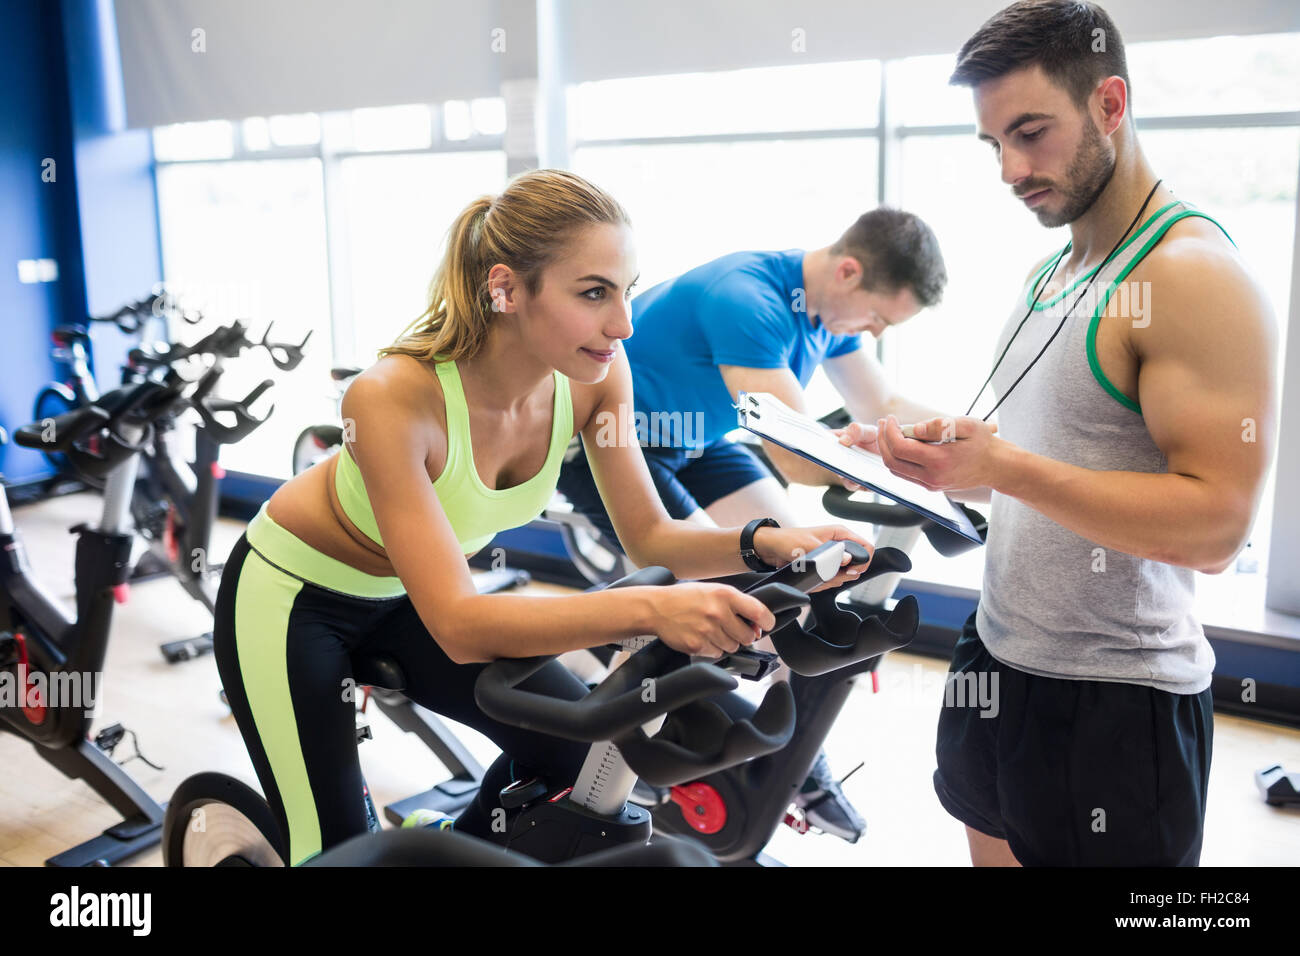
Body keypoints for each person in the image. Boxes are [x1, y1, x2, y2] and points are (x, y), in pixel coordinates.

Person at [212, 169, 873, 866]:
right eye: (593, 293)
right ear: (505, 289)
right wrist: (653, 610)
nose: (623, 325)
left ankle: (447, 853)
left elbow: (652, 536)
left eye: (625, 290)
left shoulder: (596, 379)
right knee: (337, 852)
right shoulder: (390, 400)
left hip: (409, 595)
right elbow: (463, 627)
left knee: (580, 757)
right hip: (293, 602)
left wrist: (770, 545)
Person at [840, 0, 1277, 866]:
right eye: (992, 143)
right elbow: (1041, 462)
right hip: (996, 651)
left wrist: (1001, 462)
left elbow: (1217, 528)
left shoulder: (1191, 277)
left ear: (1110, 105)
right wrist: (940, 465)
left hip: (1114, 699)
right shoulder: (1052, 271)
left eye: (1031, 132)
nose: (1009, 168)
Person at [556, 210, 949, 839]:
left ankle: (795, 760)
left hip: (700, 439)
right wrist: (880, 455)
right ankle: (619, 722)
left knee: (807, 577)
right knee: (724, 593)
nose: (872, 332)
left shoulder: (830, 314)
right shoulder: (750, 298)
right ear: (849, 271)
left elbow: (888, 406)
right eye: (878, 317)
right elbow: (797, 456)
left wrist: (978, 450)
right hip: (616, 442)